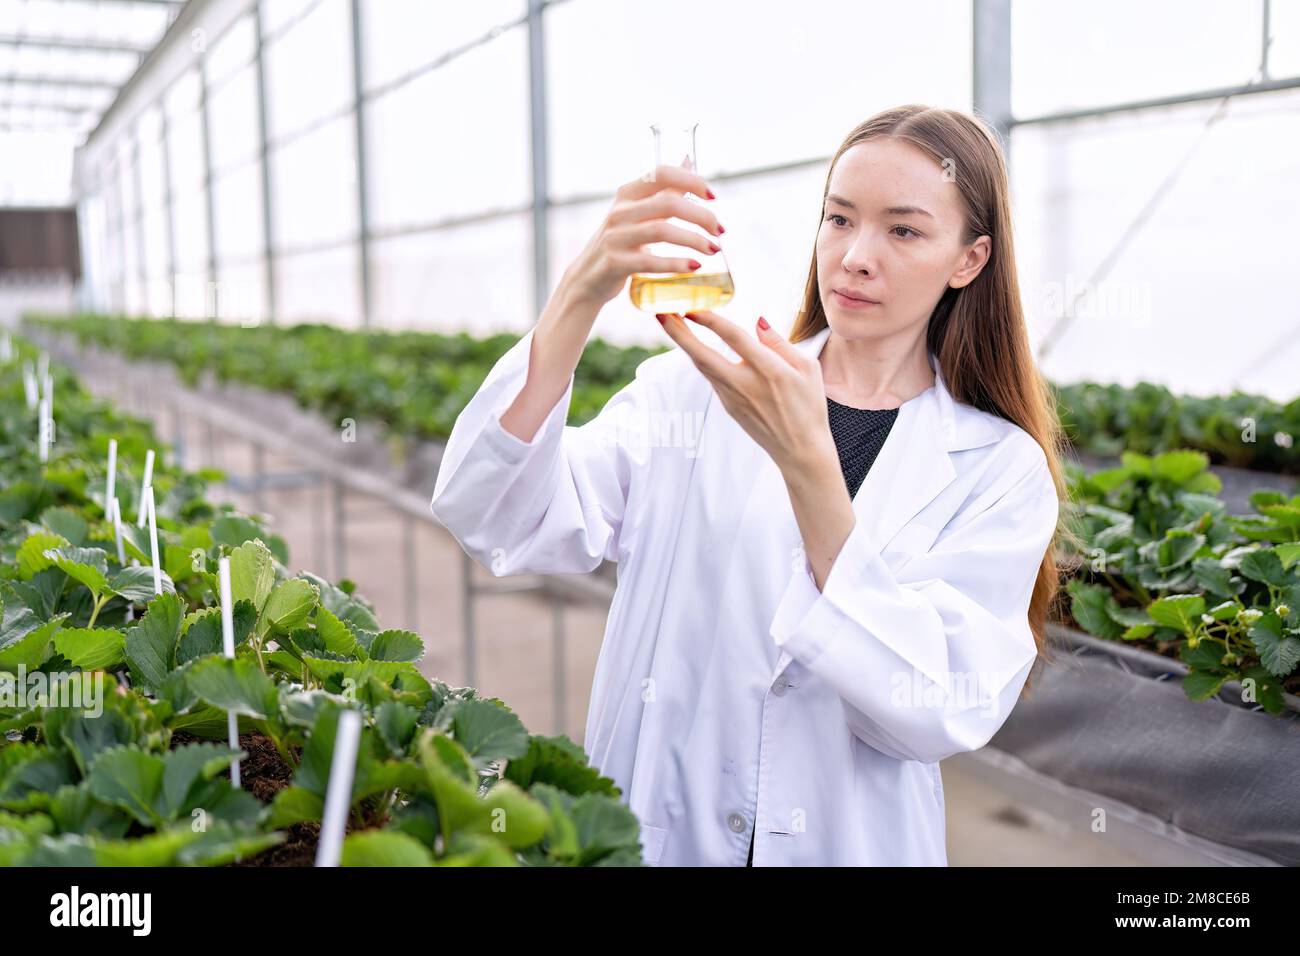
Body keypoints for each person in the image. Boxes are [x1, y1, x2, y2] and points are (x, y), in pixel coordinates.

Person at [430, 104, 1068, 866]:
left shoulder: (997, 468)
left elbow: (934, 711)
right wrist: (582, 293)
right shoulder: (693, 395)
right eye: (839, 219)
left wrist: (808, 467)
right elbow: (497, 514)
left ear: (969, 259)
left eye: (903, 230)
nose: (857, 256)